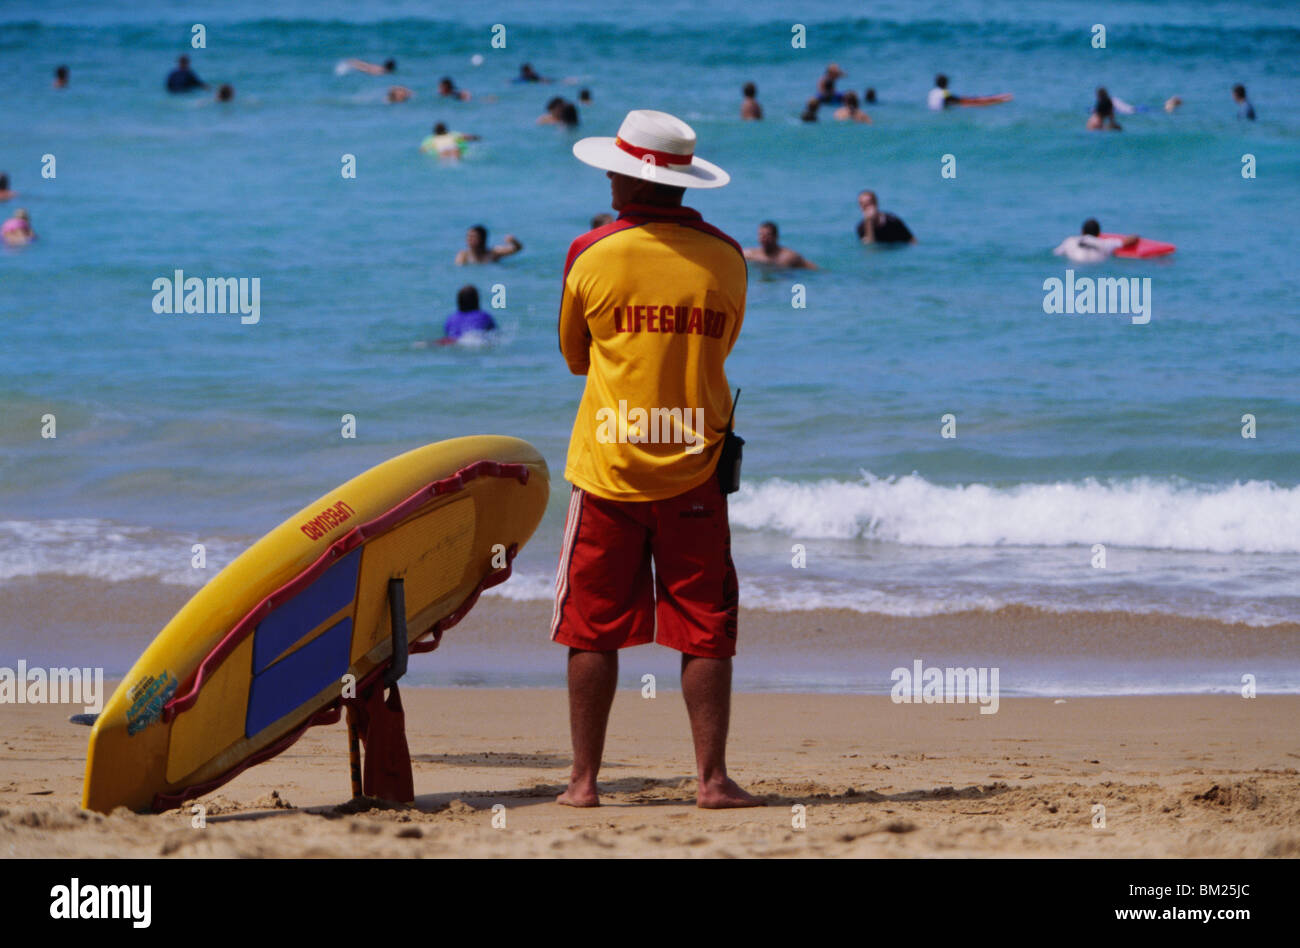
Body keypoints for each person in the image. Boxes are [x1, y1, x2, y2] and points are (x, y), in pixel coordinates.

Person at [555, 108, 757, 810]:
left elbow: (577, 357)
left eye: (615, 166)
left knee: (591, 626)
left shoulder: (591, 252)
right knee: (704, 627)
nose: (609, 174)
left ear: (627, 177)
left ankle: (583, 783)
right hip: (697, 467)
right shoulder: (728, 256)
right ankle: (712, 780)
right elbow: (721, 347)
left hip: (608, 466)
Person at [1053, 218, 1139, 263]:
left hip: (1075, 262)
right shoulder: (1105, 243)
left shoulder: (1069, 241)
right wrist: (1136, 236)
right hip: (1095, 263)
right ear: (1099, 234)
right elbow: (1127, 241)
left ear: (1082, 231)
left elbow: (1055, 253)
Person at [744, 221, 816, 269]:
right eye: (761, 235)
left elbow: (812, 268)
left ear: (776, 237)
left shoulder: (789, 257)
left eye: (768, 235)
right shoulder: (751, 255)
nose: (764, 238)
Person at [455, 225, 521, 264]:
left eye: (473, 237)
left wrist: (514, 241)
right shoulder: (464, 255)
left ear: (482, 239)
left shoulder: (494, 252)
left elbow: (517, 249)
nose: (469, 239)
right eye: (468, 236)